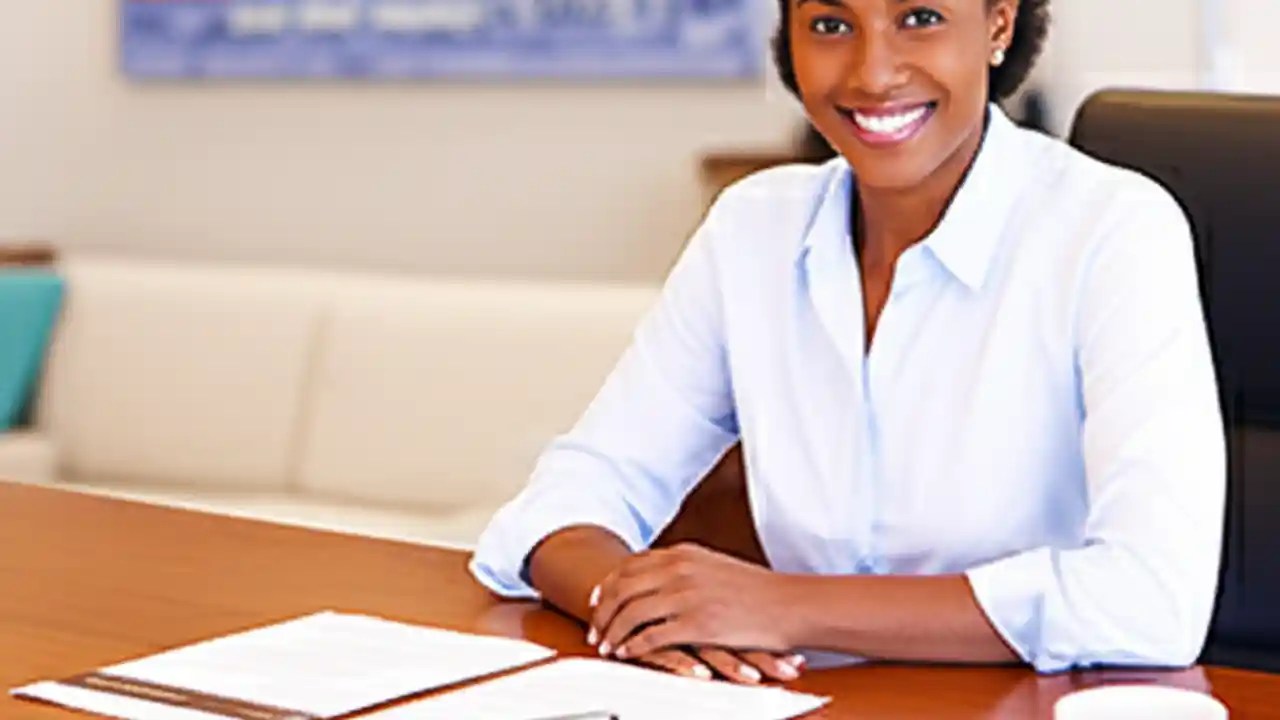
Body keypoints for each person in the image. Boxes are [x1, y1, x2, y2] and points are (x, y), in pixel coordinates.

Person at [470, 0, 1226, 684]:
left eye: (920, 17)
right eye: (831, 25)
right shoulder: (753, 230)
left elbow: (1153, 599)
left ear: (998, 22)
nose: (873, 72)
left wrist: (784, 605)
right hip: (811, 699)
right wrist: (647, 609)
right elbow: (565, 502)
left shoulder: (1112, 230)